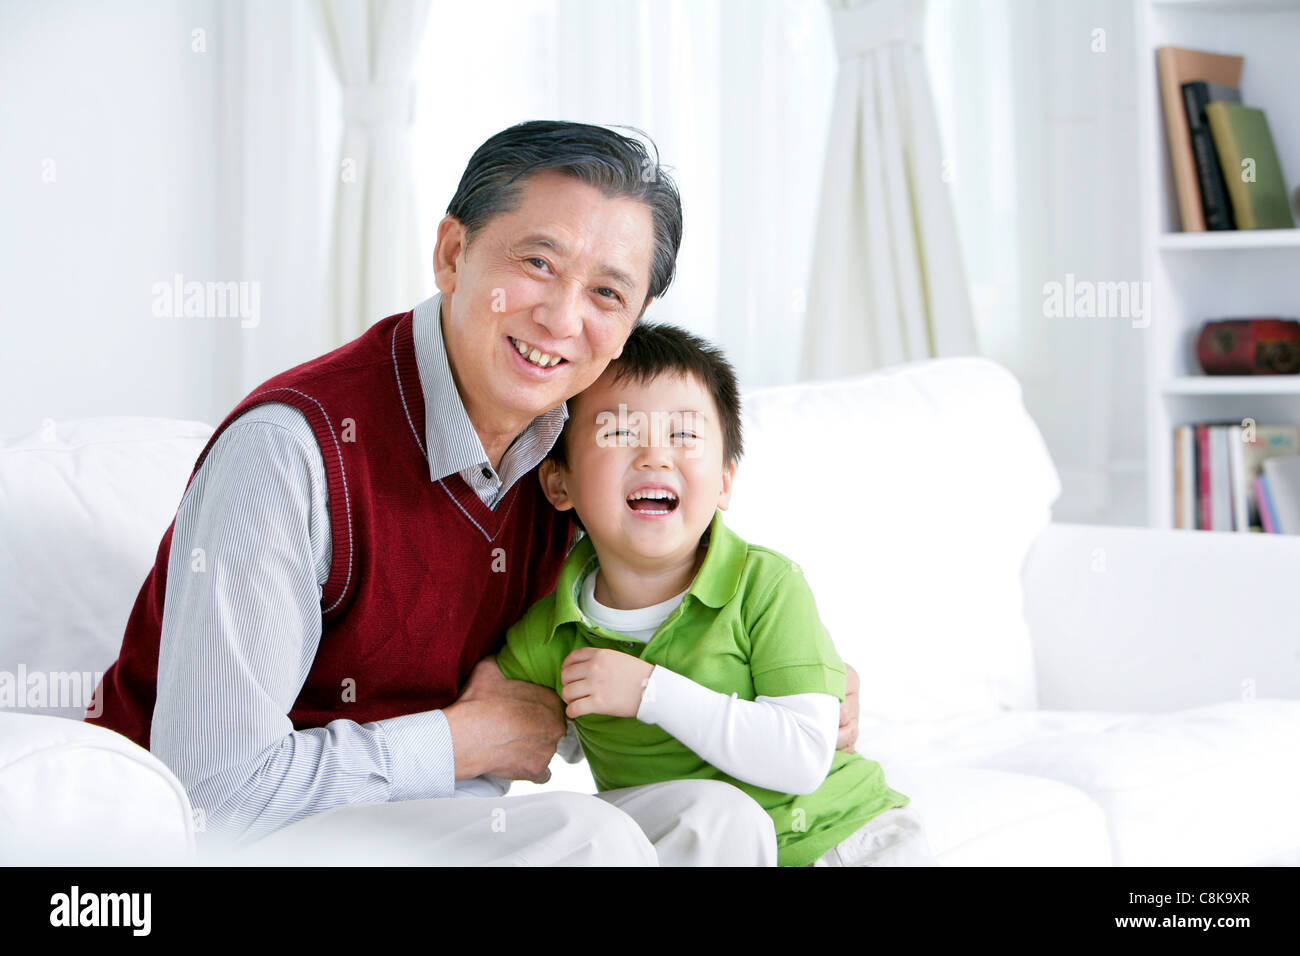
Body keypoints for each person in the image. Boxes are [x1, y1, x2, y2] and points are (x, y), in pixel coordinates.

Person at [84, 119, 862, 865]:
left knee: (713, 818)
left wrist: (793, 694)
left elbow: (664, 602)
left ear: (632, 322)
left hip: (458, 824)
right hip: (260, 838)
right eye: (537, 264)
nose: (561, 318)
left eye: (606, 294)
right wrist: (462, 741)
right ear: (453, 253)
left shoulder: (577, 455)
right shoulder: (292, 453)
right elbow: (212, 796)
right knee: (589, 839)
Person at [496, 322, 937, 866]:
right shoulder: (550, 630)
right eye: (618, 432)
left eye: (684, 436)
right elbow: (501, 738)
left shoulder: (767, 586)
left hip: (845, 838)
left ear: (725, 481)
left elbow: (802, 755)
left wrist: (651, 693)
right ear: (558, 481)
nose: (655, 457)